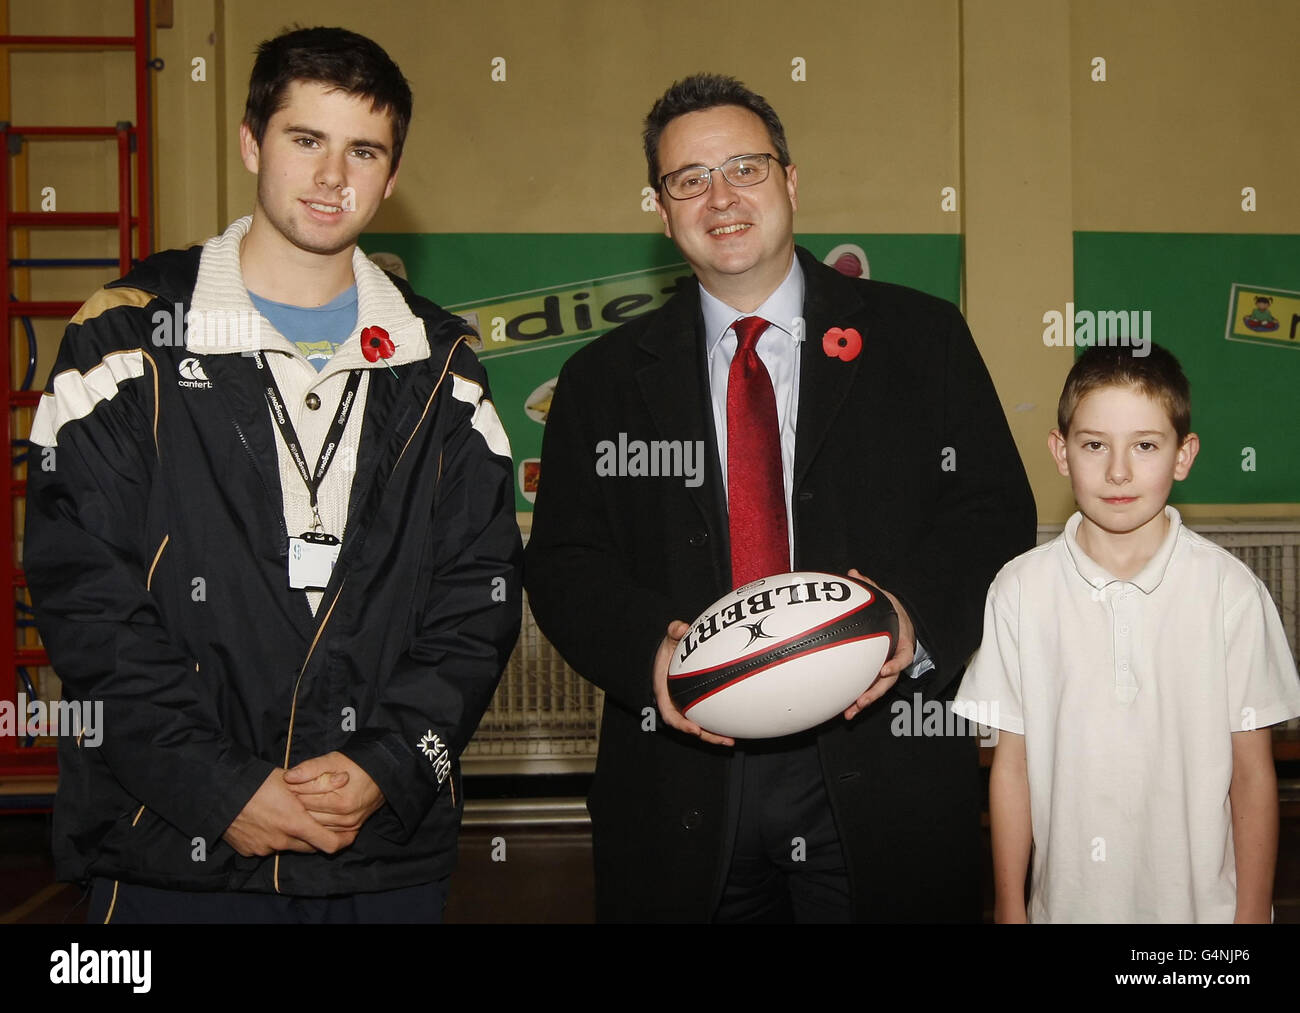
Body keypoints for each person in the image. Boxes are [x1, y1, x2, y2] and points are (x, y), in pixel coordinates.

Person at [24, 26, 522, 923]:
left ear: (391, 175)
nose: (334, 177)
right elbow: (83, 597)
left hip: (381, 856)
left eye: (362, 150)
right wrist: (218, 787)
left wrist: (390, 762)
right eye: (307, 140)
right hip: (169, 850)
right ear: (253, 142)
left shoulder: (444, 365)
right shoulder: (123, 337)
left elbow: (477, 602)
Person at [524, 73, 1036, 922]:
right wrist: (653, 660)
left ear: (790, 182)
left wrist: (910, 622)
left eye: (745, 169)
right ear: (661, 207)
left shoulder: (921, 339)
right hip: (684, 782)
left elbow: (991, 514)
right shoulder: (601, 381)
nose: (719, 197)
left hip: (880, 763)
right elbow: (567, 564)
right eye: (688, 179)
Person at [955, 343, 1300, 922]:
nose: (1118, 471)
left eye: (1145, 445)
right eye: (1094, 445)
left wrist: (1250, 917)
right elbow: (1011, 765)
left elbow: (1252, 772)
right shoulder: (1019, 589)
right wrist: (1011, 906)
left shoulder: (1231, 592)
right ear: (1060, 453)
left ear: (1183, 455)